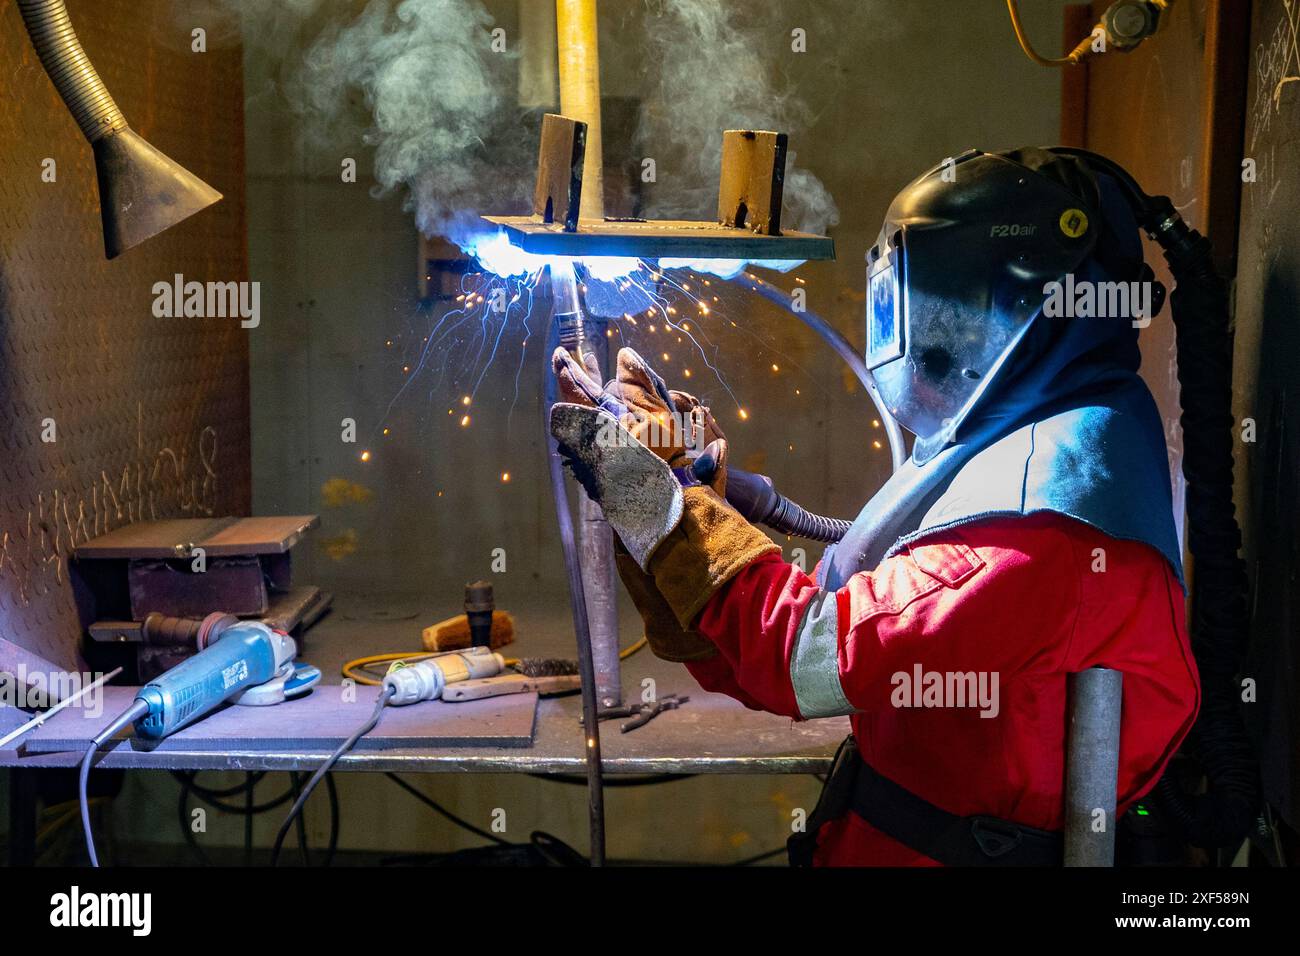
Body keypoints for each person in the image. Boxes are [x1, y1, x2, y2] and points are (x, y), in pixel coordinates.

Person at [550, 147, 1198, 866]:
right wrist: (677, 518)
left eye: (928, 318)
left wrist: (670, 508)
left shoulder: (1046, 517)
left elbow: (808, 656)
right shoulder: (1007, 437)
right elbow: (786, 651)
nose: (907, 349)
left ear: (1023, 303)